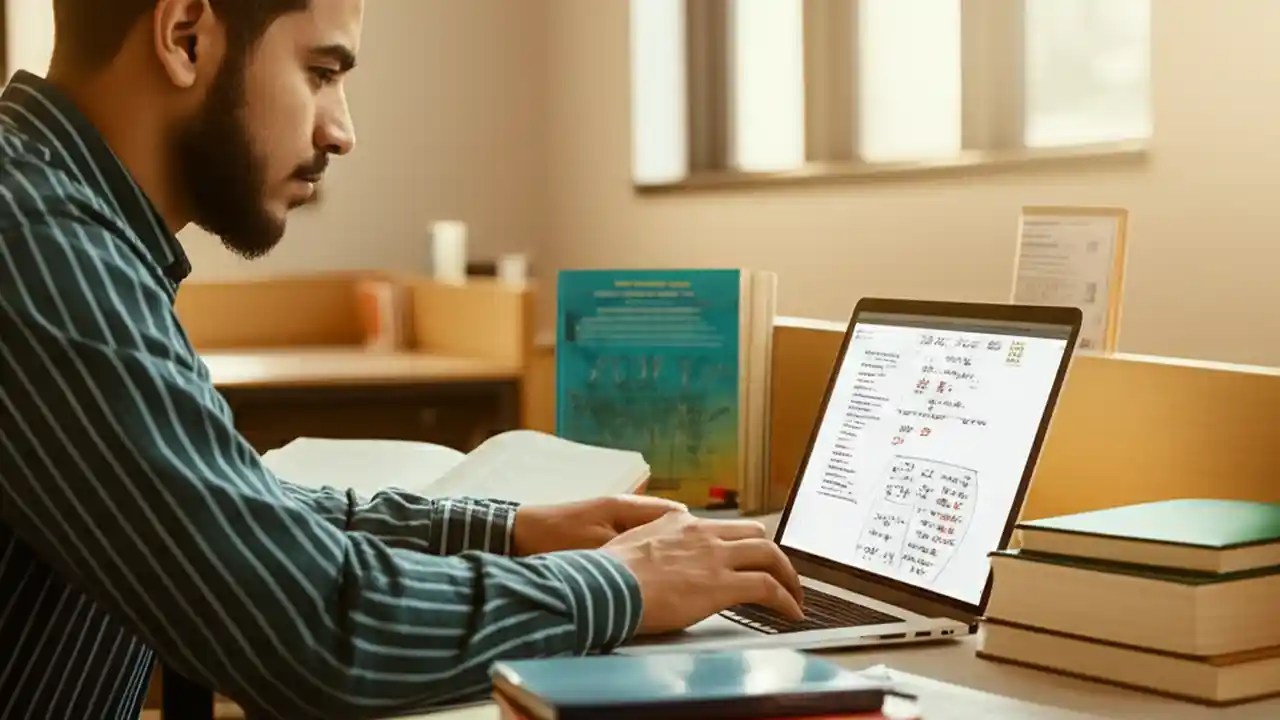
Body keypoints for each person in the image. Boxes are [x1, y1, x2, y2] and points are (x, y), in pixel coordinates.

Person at [0, 1, 805, 718]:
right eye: (320, 73)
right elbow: (313, 628)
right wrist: (622, 586)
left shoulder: (62, 221)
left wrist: (513, 533)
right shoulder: (35, 243)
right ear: (184, 35)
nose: (341, 130)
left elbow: (219, 512)